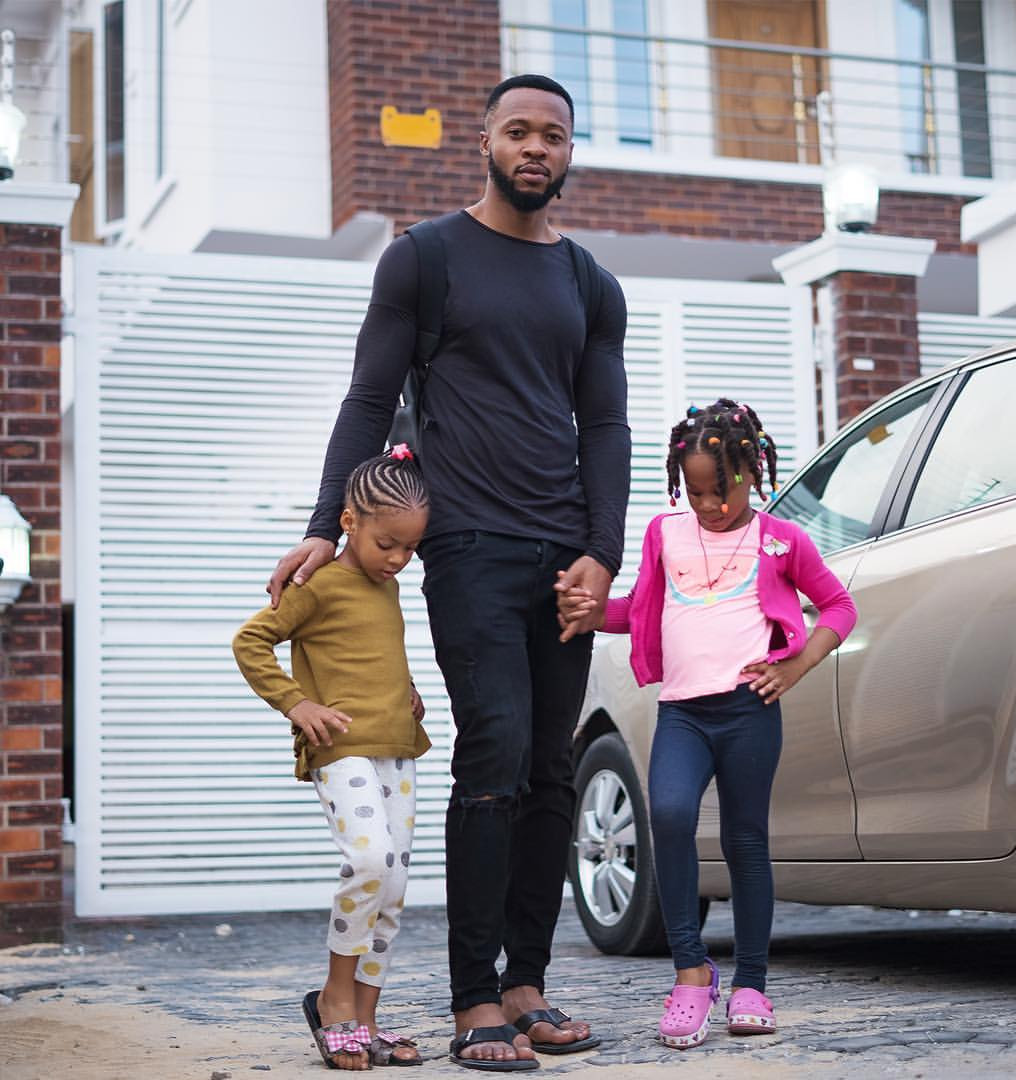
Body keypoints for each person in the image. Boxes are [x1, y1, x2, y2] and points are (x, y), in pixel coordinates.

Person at [266, 74, 630, 1070]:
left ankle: (527, 985)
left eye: (553, 135)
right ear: (485, 141)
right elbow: (368, 395)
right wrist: (322, 526)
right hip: (468, 545)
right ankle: (475, 999)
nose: (535, 148)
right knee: (497, 746)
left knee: (552, 767)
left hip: (566, 555)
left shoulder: (592, 284)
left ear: (568, 152)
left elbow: (604, 425)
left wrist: (603, 551)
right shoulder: (424, 259)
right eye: (518, 130)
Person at [557, 399, 856, 1049]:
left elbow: (838, 607)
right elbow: (642, 607)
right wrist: (592, 614)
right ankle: (692, 974)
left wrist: (796, 665)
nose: (710, 505)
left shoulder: (781, 540)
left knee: (746, 840)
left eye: (721, 490)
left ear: (751, 471)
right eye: (694, 492)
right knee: (666, 814)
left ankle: (751, 983)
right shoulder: (666, 534)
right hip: (684, 713)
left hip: (749, 712)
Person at [235, 447, 431, 1070]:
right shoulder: (315, 584)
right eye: (387, 543)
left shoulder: (387, 585)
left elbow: (367, 652)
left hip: (397, 747)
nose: (398, 558)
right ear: (349, 523)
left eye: (409, 548)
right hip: (340, 747)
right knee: (368, 859)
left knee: (393, 888)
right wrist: (297, 706)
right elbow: (251, 642)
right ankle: (333, 1001)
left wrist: (407, 691)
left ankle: (367, 1020)